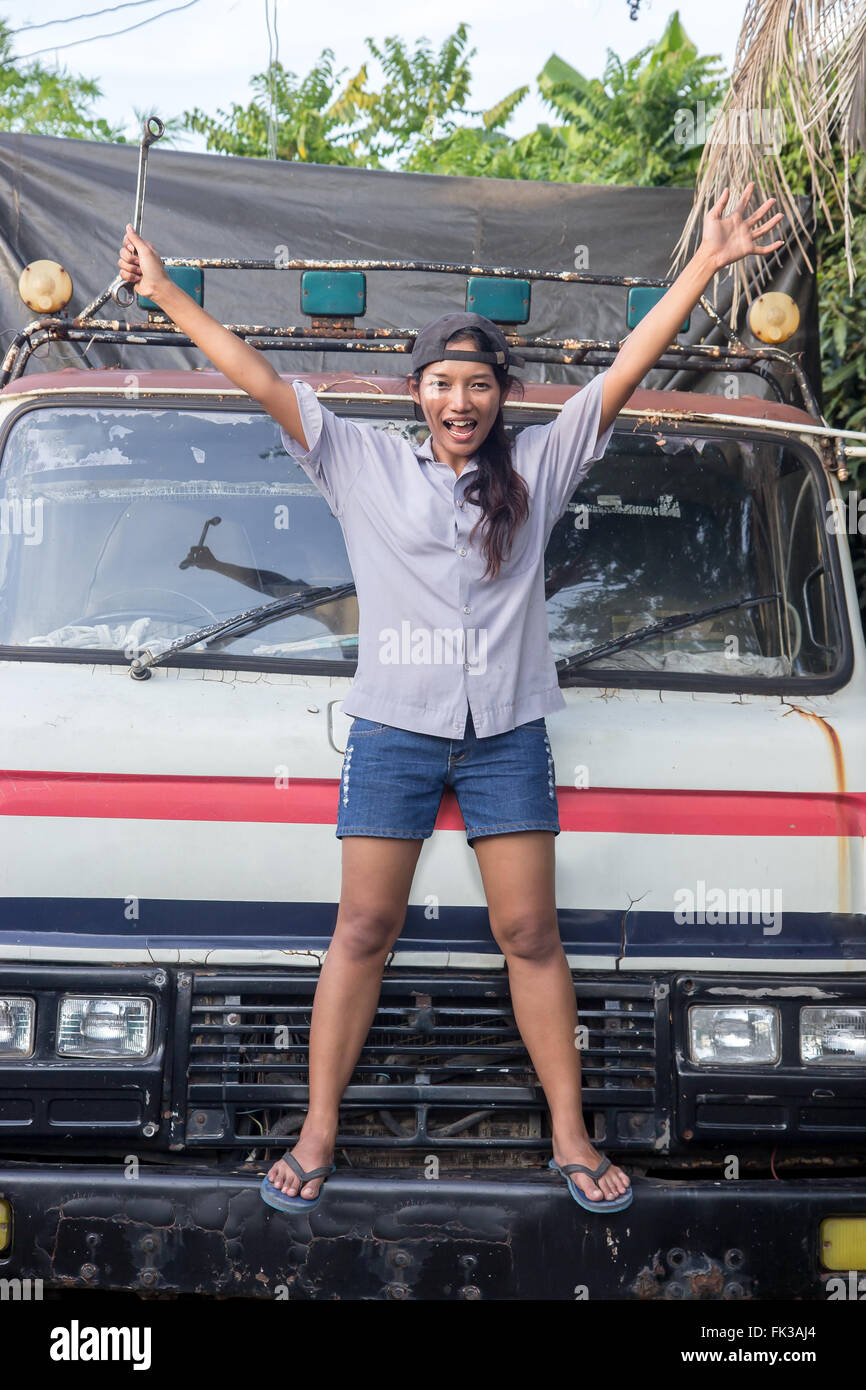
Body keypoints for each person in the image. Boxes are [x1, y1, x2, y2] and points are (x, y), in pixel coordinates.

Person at [117, 184, 783, 1213]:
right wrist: (162, 291)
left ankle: (568, 1136)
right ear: (416, 393)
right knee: (361, 929)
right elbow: (255, 377)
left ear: (497, 394)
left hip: (506, 734)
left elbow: (624, 368)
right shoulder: (360, 463)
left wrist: (706, 263)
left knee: (530, 934)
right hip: (392, 730)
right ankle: (318, 1129)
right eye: (440, 384)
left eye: (475, 384)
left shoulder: (539, 464)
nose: (458, 401)